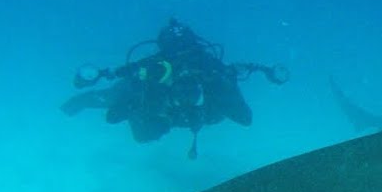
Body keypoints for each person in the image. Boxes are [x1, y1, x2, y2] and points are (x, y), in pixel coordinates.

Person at [62, 18, 289, 158]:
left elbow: (244, 118)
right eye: (175, 59)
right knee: (132, 113)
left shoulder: (211, 71)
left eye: (189, 57)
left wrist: (221, 83)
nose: (184, 67)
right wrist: (132, 104)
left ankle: (82, 105)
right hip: (162, 114)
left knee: (132, 113)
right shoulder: (152, 71)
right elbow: (112, 96)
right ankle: (74, 106)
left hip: (203, 115)